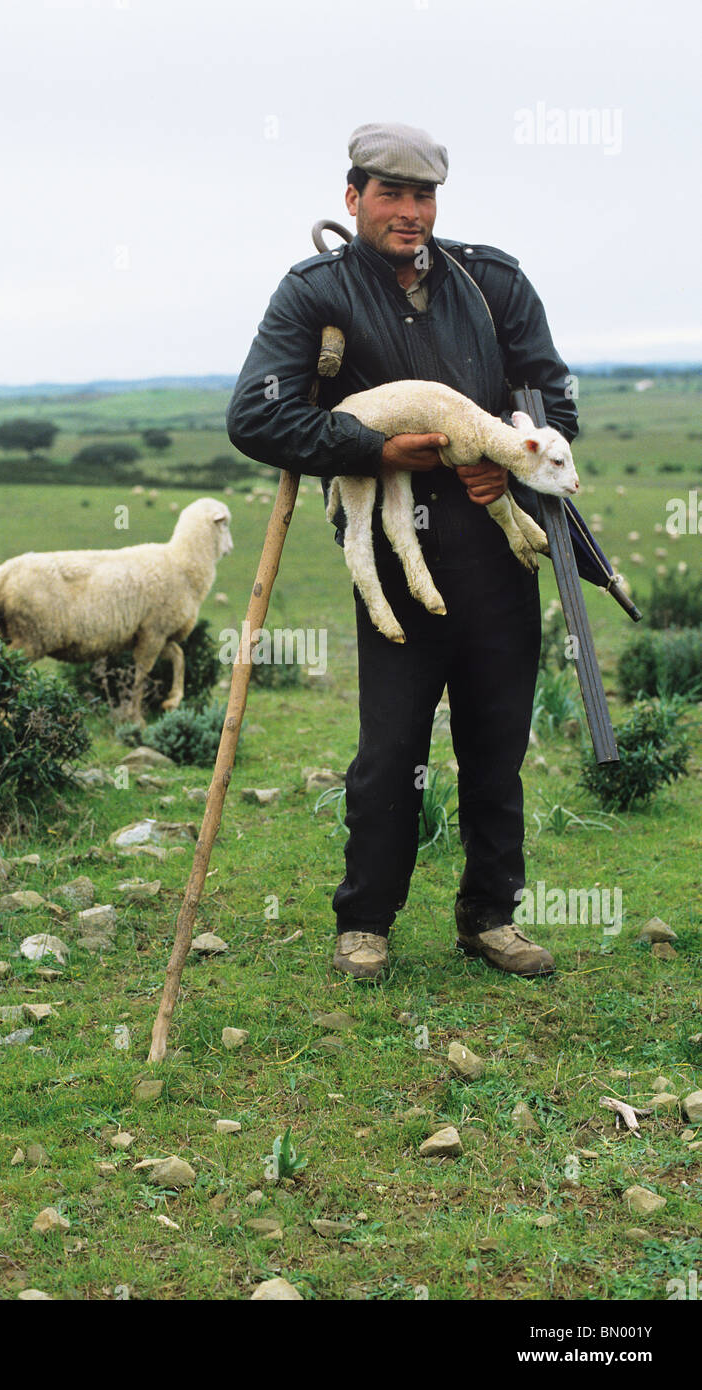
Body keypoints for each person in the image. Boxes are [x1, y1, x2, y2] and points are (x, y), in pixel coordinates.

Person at [226, 121, 577, 980]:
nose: (411, 212)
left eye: (424, 196)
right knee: (390, 752)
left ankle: (491, 918)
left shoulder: (492, 280)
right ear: (354, 198)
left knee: (497, 744)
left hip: (502, 556)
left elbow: (552, 400)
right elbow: (257, 416)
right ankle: (366, 923)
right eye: (392, 194)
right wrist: (372, 450)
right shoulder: (315, 293)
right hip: (392, 559)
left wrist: (518, 467)